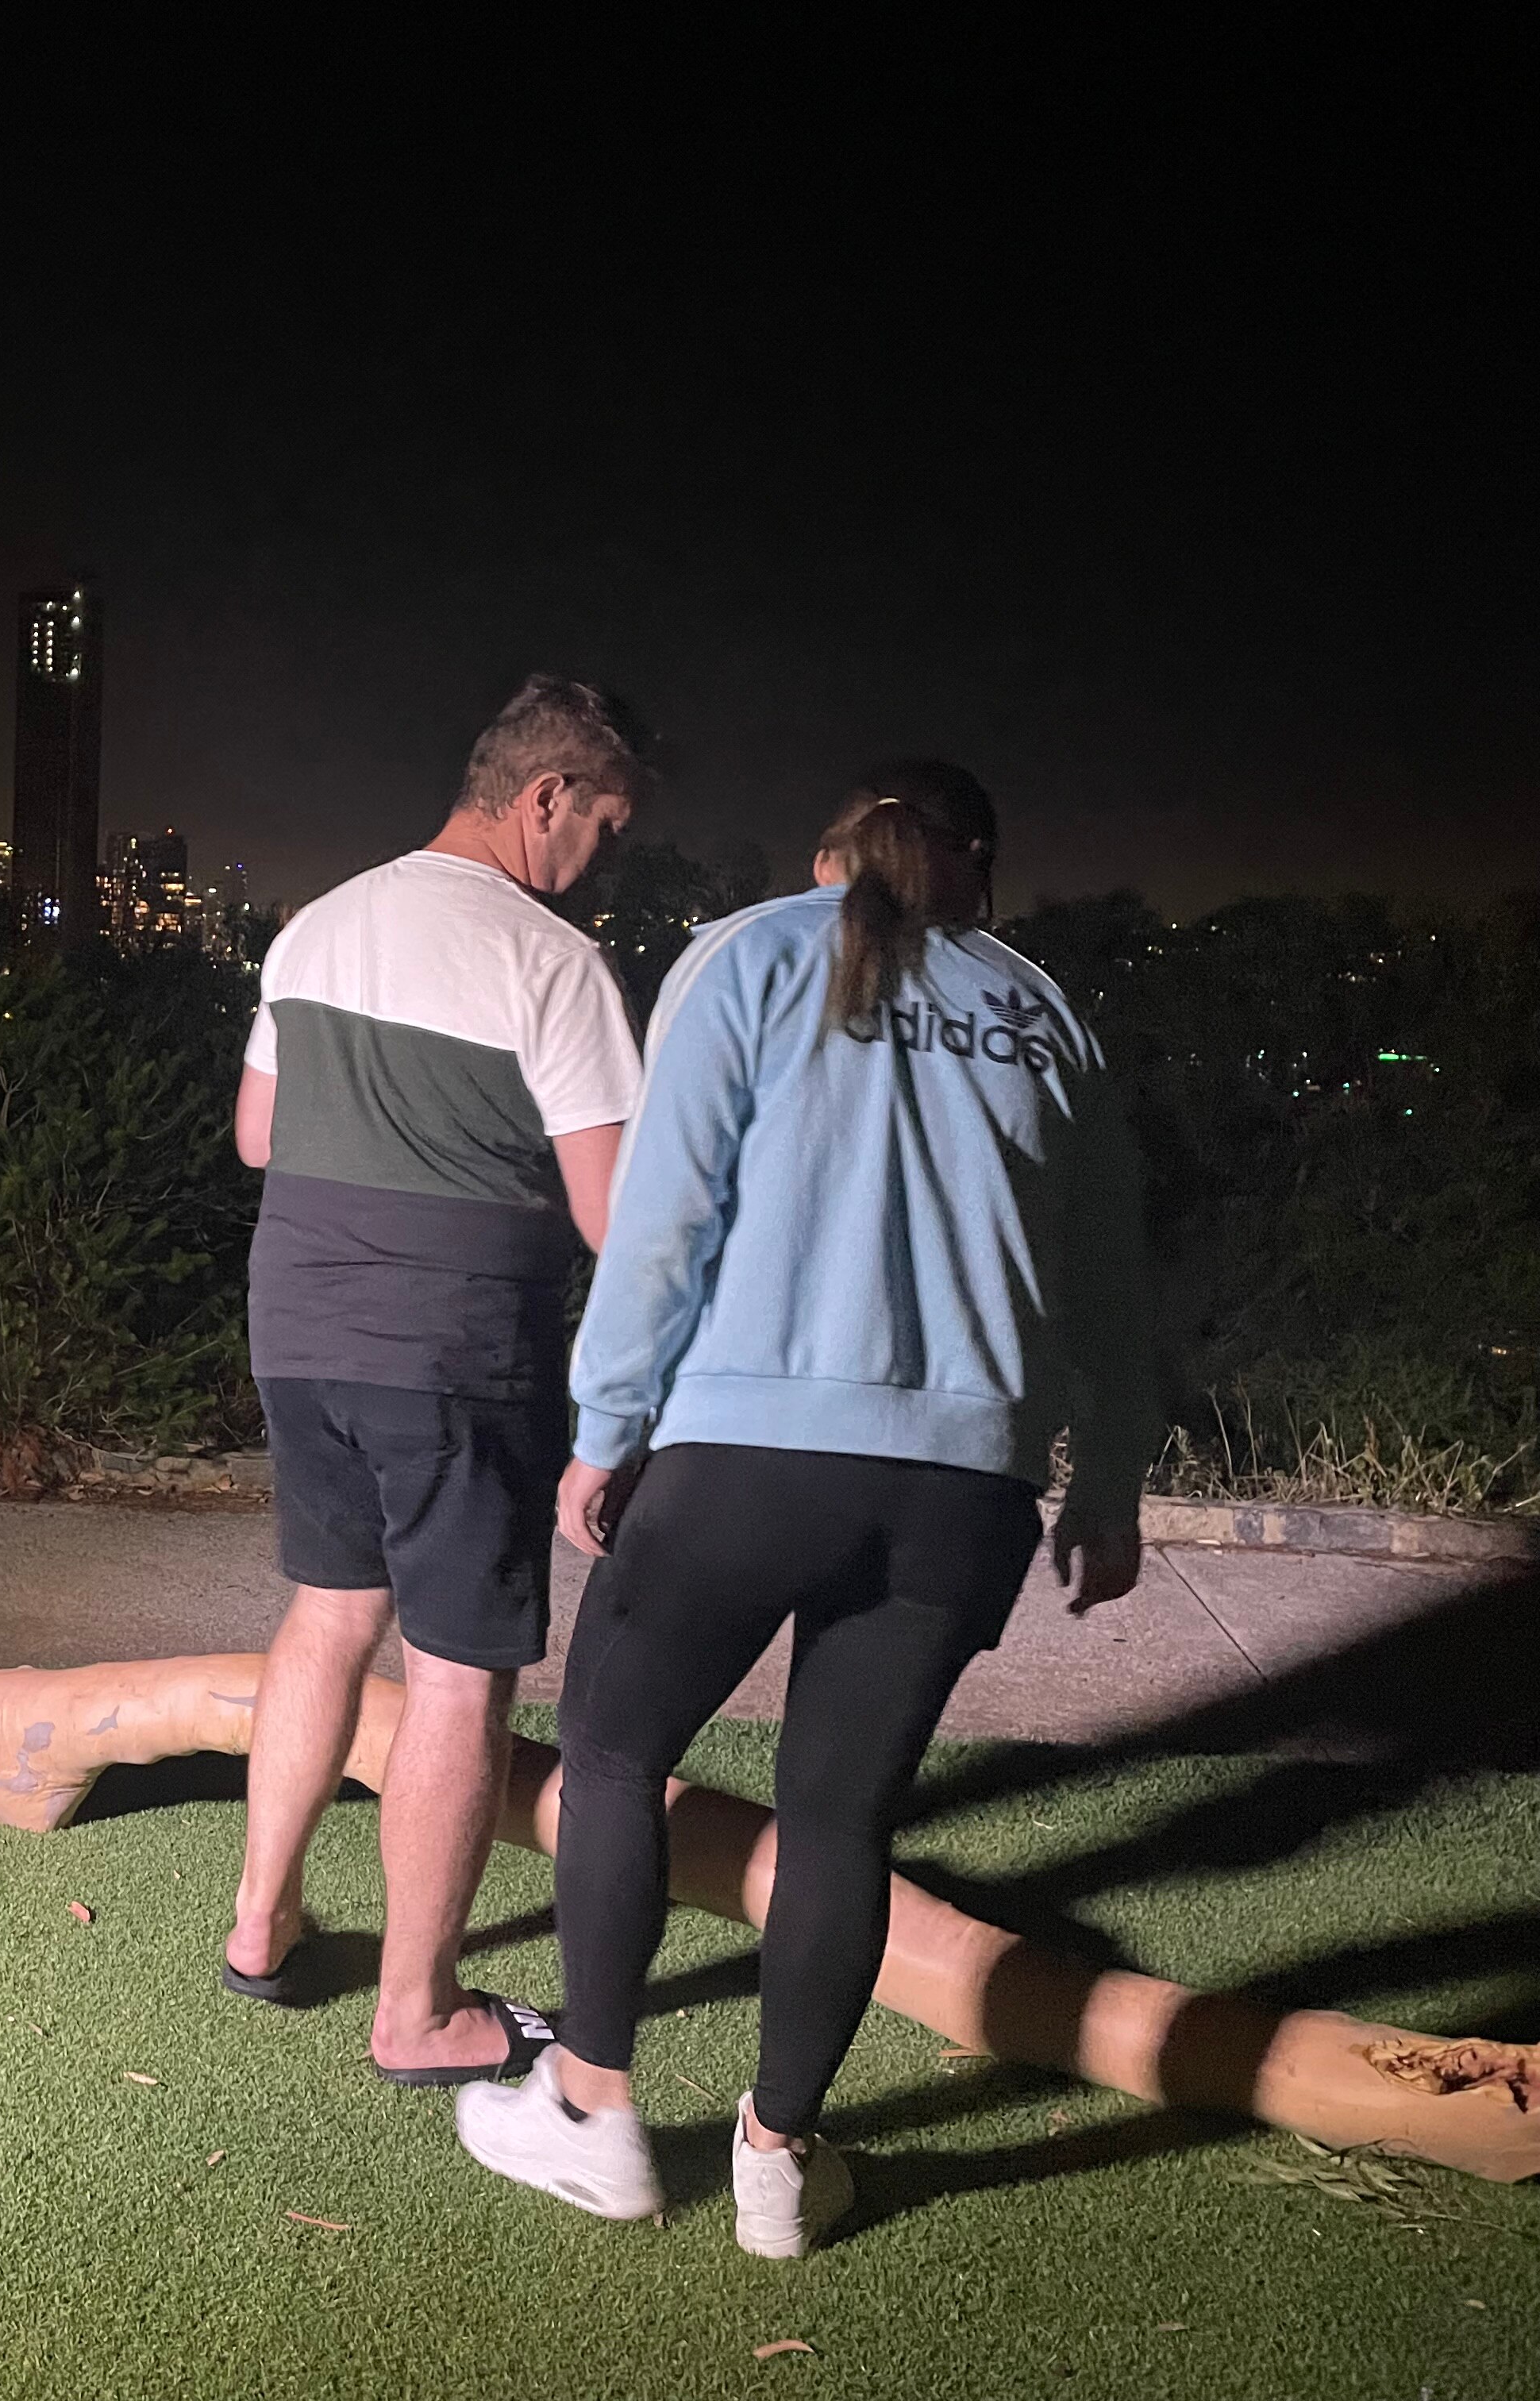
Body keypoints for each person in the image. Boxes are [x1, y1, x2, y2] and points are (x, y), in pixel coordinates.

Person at [456, 760, 1153, 2255]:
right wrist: (1112, 1483)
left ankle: (591, 2111)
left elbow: (667, 1216)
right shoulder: (1044, 1011)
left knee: (616, 1752)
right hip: (966, 1484)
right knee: (842, 1821)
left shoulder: (753, 953)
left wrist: (606, 1427)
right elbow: (1110, 1279)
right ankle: (779, 2166)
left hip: (749, 1456)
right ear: (981, 871)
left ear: (831, 857)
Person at [224, 673, 649, 2085]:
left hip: (297, 1324)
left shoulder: (316, 924)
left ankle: (261, 1923)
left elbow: (258, 1137)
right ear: (546, 797)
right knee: (461, 1677)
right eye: (603, 827)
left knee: (329, 1613)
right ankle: (416, 2013)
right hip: (456, 1350)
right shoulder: (552, 963)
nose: (601, 859)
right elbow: (613, 1217)